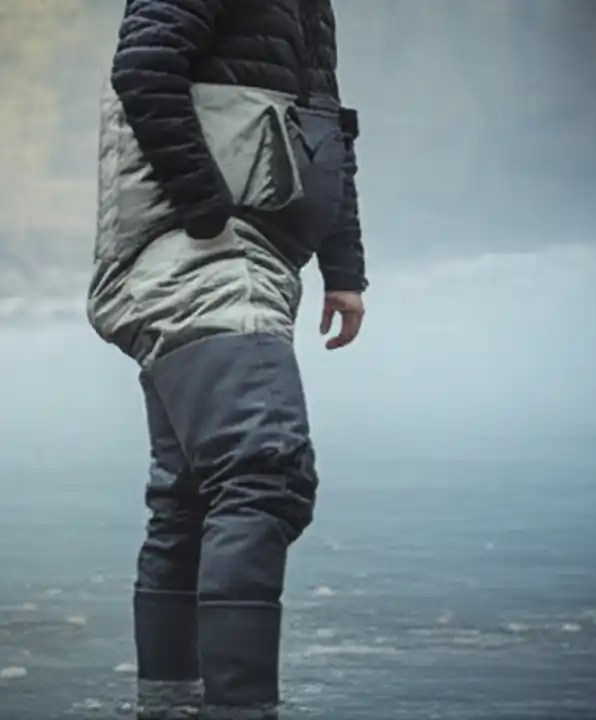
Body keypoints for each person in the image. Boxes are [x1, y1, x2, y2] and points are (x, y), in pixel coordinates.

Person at [87, 1, 368, 717]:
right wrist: (206, 209)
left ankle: (171, 707)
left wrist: (344, 270)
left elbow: (324, 129)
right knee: (263, 472)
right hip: (203, 251)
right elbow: (143, 71)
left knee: (192, 498)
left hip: (251, 262)